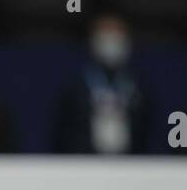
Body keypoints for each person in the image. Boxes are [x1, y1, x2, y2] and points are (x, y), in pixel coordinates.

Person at [53, 13, 150, 154]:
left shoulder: (139, 87)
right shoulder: (75, 87)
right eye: (106, 34)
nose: (111, 40)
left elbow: (147, 133)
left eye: (117, 34)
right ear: (93, 40)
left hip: (131, 166)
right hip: (83, 165)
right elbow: (61, 133)